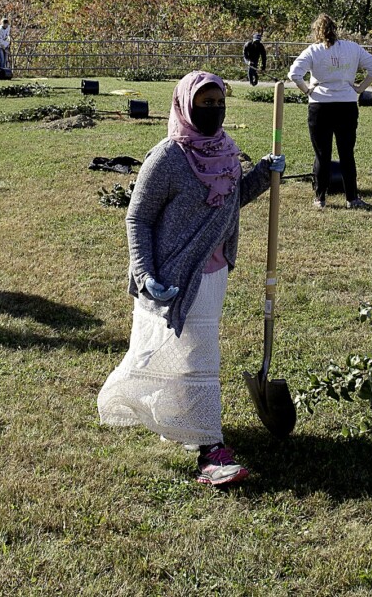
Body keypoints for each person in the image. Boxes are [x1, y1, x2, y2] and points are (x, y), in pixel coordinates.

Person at [98, 71, 284, 487]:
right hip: (175, 273)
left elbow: (229, 204)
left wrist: (263, 176)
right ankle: (209, 451)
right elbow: (138, 217)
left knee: (188, 352)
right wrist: (144, 273)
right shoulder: (167, 158)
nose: (214, 111)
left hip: (214, 271)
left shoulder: (225, 152)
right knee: (199, 357)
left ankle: (186, 422)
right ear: (185, 105)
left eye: (219, 103)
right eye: (205, 103)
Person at [287, 14, 372, 210]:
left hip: (320, 104)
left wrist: (307, 90)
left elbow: (294, 74)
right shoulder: (352, 48)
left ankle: (320, 198)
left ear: (316, 32)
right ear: (335, 29)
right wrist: (360, 88)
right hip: (346, 104)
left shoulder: (313, 50)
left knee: (322, 154)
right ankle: (352, 198)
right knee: (347, 153)